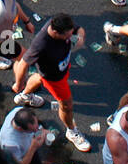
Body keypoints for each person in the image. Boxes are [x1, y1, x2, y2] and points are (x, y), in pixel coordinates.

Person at [14, 14, 90, 150]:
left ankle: (25, 95)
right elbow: (23, 63)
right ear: (55, 32)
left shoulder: (61, 24)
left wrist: (80, 37)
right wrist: (18, 83)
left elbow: (79, 29)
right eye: (66, 37)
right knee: (66, 104)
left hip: (60, 69)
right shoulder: (40, 44)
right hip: (54, 78)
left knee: (38, 77)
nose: (69, 38)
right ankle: (71, 131)